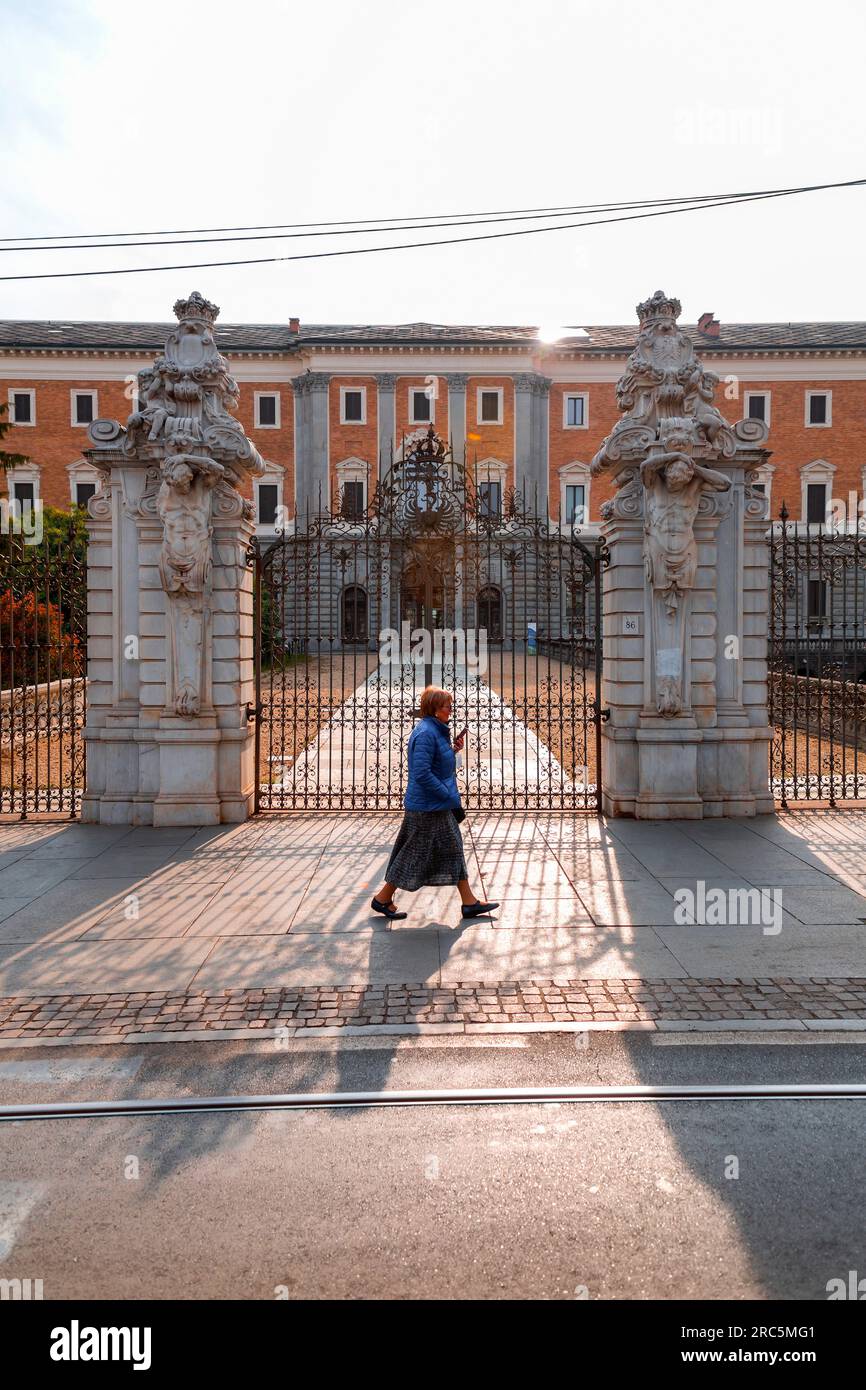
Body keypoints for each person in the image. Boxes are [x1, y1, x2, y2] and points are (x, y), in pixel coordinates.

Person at [372, 685, 498, 922]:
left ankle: (469, 902)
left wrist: (453, 751)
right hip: (428, 807)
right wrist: (446, 795)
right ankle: (382, 898)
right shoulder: (427, 733)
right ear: (434, 709)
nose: (450, 709)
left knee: (452, 849)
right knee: (413, 854)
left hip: (434, 805)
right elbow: (421, 772)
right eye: (446, 705)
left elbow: (437, 763)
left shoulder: (436, 731)